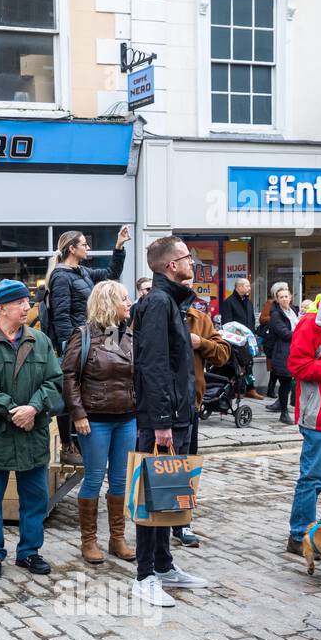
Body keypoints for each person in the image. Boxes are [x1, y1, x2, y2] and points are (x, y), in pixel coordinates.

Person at [129, 236, 211, 608]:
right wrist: (161, 420)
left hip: (180, 415)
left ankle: (163, 565)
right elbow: (154, 365)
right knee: (152, 493)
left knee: (169, 492)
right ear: (169, 265)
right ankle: (144, 575)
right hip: (164, 418)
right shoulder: (158, 303)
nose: (191, 263)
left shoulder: (172, 302)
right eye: (185, 258)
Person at [0, 279, 63, 580]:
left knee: (34, 498)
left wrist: (33, 408)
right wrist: (14, 412)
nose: (27, 307)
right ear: (2, 307)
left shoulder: (40, 340)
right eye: (20, 303)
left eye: (27, 301)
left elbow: (54, 381)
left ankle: (29, 552)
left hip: (33, 433)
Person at [61, 280, 137, 565]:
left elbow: (128, 372)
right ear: (108, 303)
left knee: (120, 480)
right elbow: (68, 377)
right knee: (93, 477)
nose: (129, 303)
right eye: (124, 299)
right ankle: (88, 541)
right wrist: (78, 414)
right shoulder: (83, 336)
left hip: (127, 418)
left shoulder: (123, 334)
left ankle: (117, 538)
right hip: (95, 421)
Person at [45, 225, 131, 465]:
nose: (88, 247)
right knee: (69, 390)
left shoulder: (82, 271)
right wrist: (69, 348)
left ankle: (111, 420)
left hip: (105, 334)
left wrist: (119, 245)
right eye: (84, 244)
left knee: (115, 370)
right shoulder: (61, 276)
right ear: (72, 248)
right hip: (81, 341)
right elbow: (61, 317)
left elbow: (112, 273)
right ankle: (67, 444)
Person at [285, 284, 321, 556]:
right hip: (317, 416)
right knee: (313, 478)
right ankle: (299, 535)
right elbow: (296, 365)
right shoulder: (309, 324)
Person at [173, 282, 232, 547]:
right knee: (162, 468)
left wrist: (201, 343)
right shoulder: (156, 312)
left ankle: (182, 523)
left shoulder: (200, 319)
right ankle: (157, 524)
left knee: (185, 468)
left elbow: (223, 354)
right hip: (161, 406)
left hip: (191, 405)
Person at [221, 277, 266, 399]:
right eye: (247, 286)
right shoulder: (229, 302)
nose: (249, 288)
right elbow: (227, 324)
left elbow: (251, 320)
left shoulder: (248, 303)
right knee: (235, 366)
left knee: (249, 365)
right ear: (239, 287)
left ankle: (250, 389)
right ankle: (235, 389)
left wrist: (252, 335)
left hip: (248, 341)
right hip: (235, 341)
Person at [266, 287, 299, 424]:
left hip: (295, 350)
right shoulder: (276, 315)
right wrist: (302, 335)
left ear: (290, 297)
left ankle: (283, 404)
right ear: (277, 300)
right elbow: (284, 333)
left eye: (286, 296)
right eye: (281, 297)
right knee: (285, 382)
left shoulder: (294, 311)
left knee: (290, 381)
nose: (285, 299)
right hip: (282, 352)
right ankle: (284, 413)